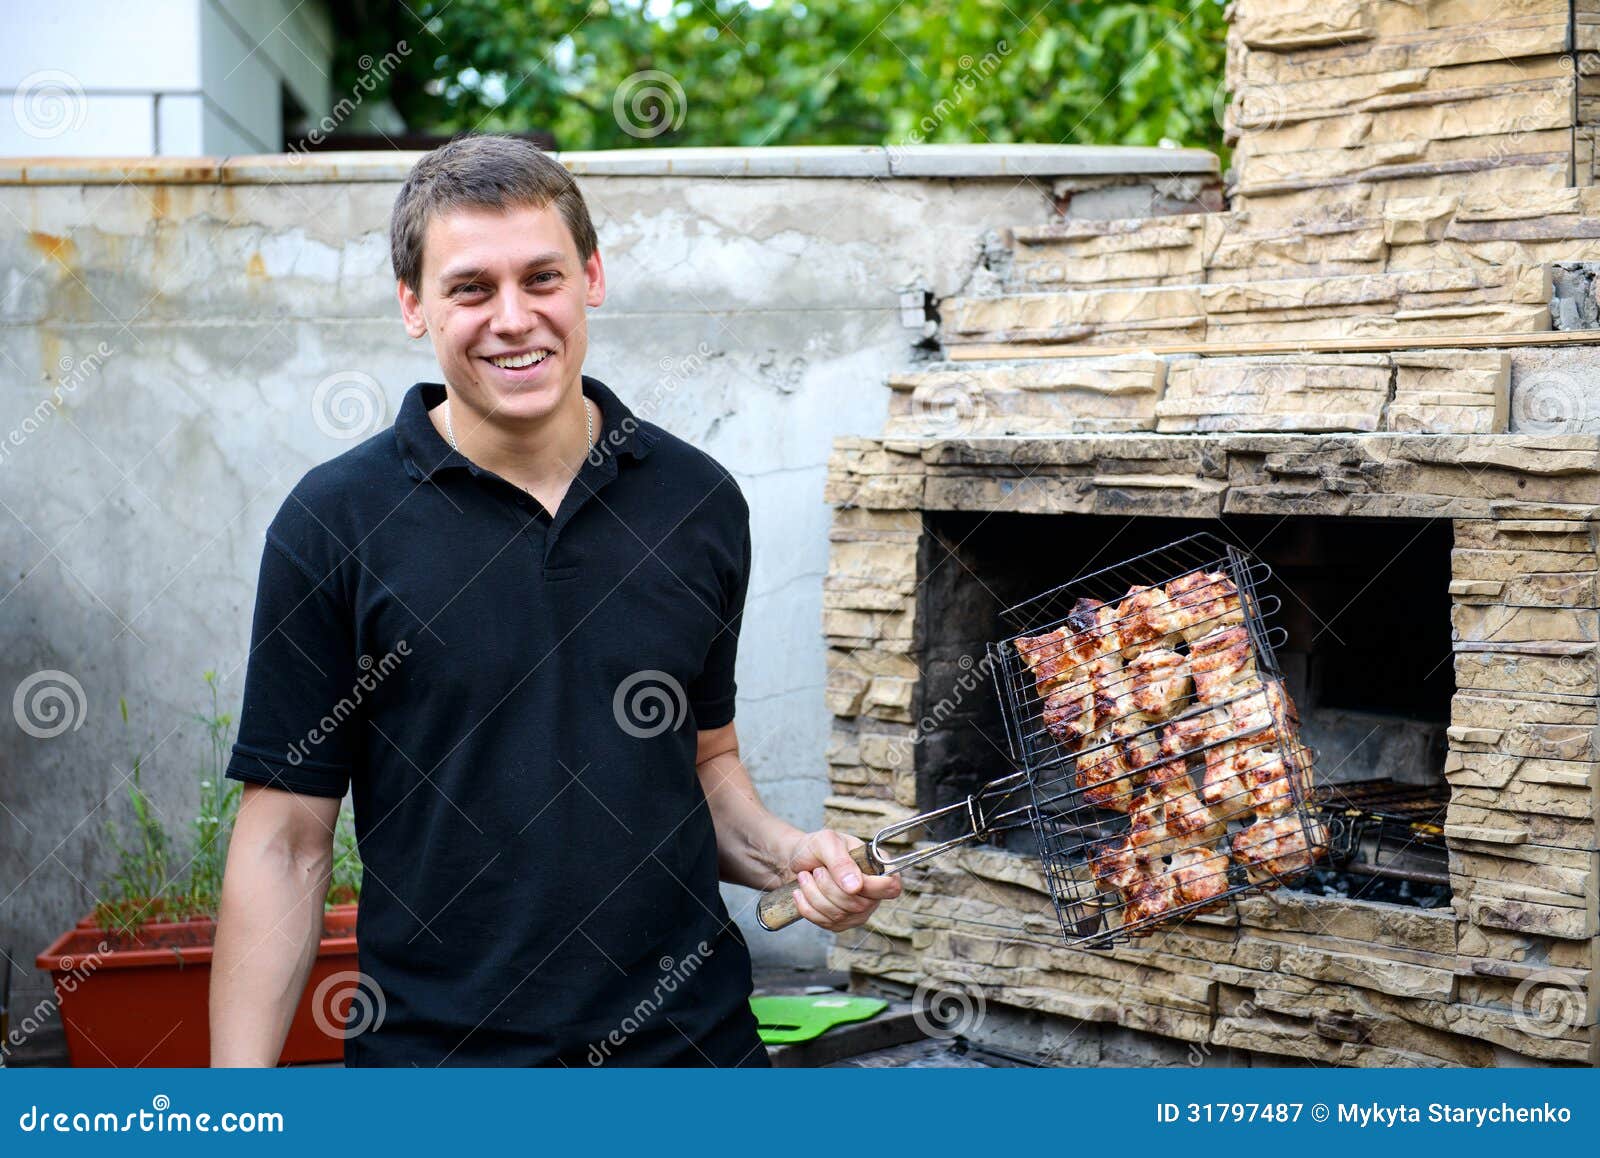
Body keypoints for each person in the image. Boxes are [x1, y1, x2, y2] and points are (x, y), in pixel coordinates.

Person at [208, 134, 901, 1067]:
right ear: (413, 304)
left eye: (542, 277)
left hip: (694, 1057)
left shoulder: (696, 502)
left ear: (592, 278)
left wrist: (792, 858)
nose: (513, 317)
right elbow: (286, 843)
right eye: (470, 288)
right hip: (441, 1069)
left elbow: (704, 766)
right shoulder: (334, 521)